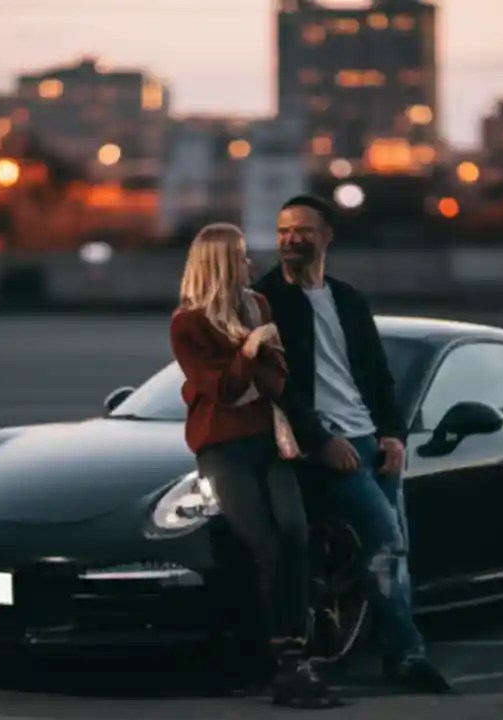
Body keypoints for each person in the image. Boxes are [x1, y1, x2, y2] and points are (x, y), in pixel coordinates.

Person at [253, 195, 453, 694]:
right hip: (325, 449)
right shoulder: (264, 301)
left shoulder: (348, 300)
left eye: (302, 230)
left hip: (370, 441)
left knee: (394, 548)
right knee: (386, 542)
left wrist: (393, 434)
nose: (290, 240)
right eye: (282, 231)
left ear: (326, 237)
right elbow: (279, 387)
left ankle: (397, 650)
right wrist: (322, 443)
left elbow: (379, 376)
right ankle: (407, 656)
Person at [168, 222, 342, 709]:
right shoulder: (188, 323)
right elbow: (220, 390)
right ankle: (286, 662)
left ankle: (297, 655)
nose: (249, 262)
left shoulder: (258, 306)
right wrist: (248, 349)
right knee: (264, 545)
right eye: (241, 256)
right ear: (220, 261)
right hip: (222, 448)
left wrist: (250, 362)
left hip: (270, 442)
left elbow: (276, 376)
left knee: (295, 531)